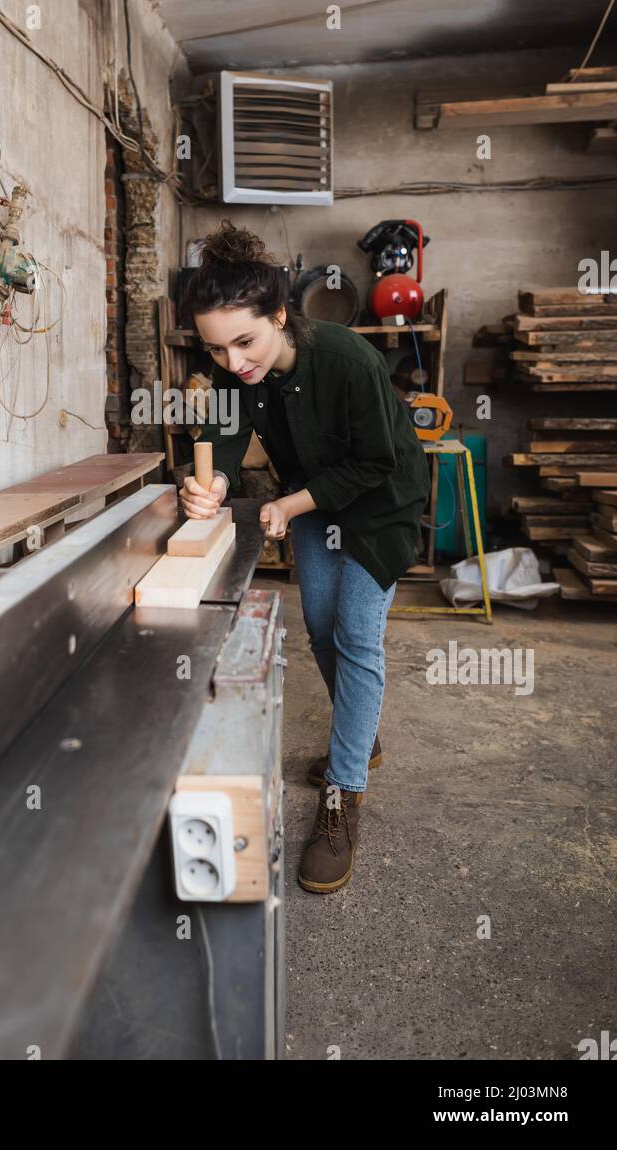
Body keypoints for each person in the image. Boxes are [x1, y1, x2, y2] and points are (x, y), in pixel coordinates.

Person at [179, 221, 432, 893]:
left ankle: (342, 795)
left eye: (245, 340)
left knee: (355, 636)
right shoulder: (232, 370)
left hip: (378, 503)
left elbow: (376, 460)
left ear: (280, 316)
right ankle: (361, 732)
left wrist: (289, 507)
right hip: (315, 504)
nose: (234, 361)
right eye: (217, 348)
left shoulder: (348, 358)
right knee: (319, 627)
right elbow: (226, 438)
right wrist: (210, 485)